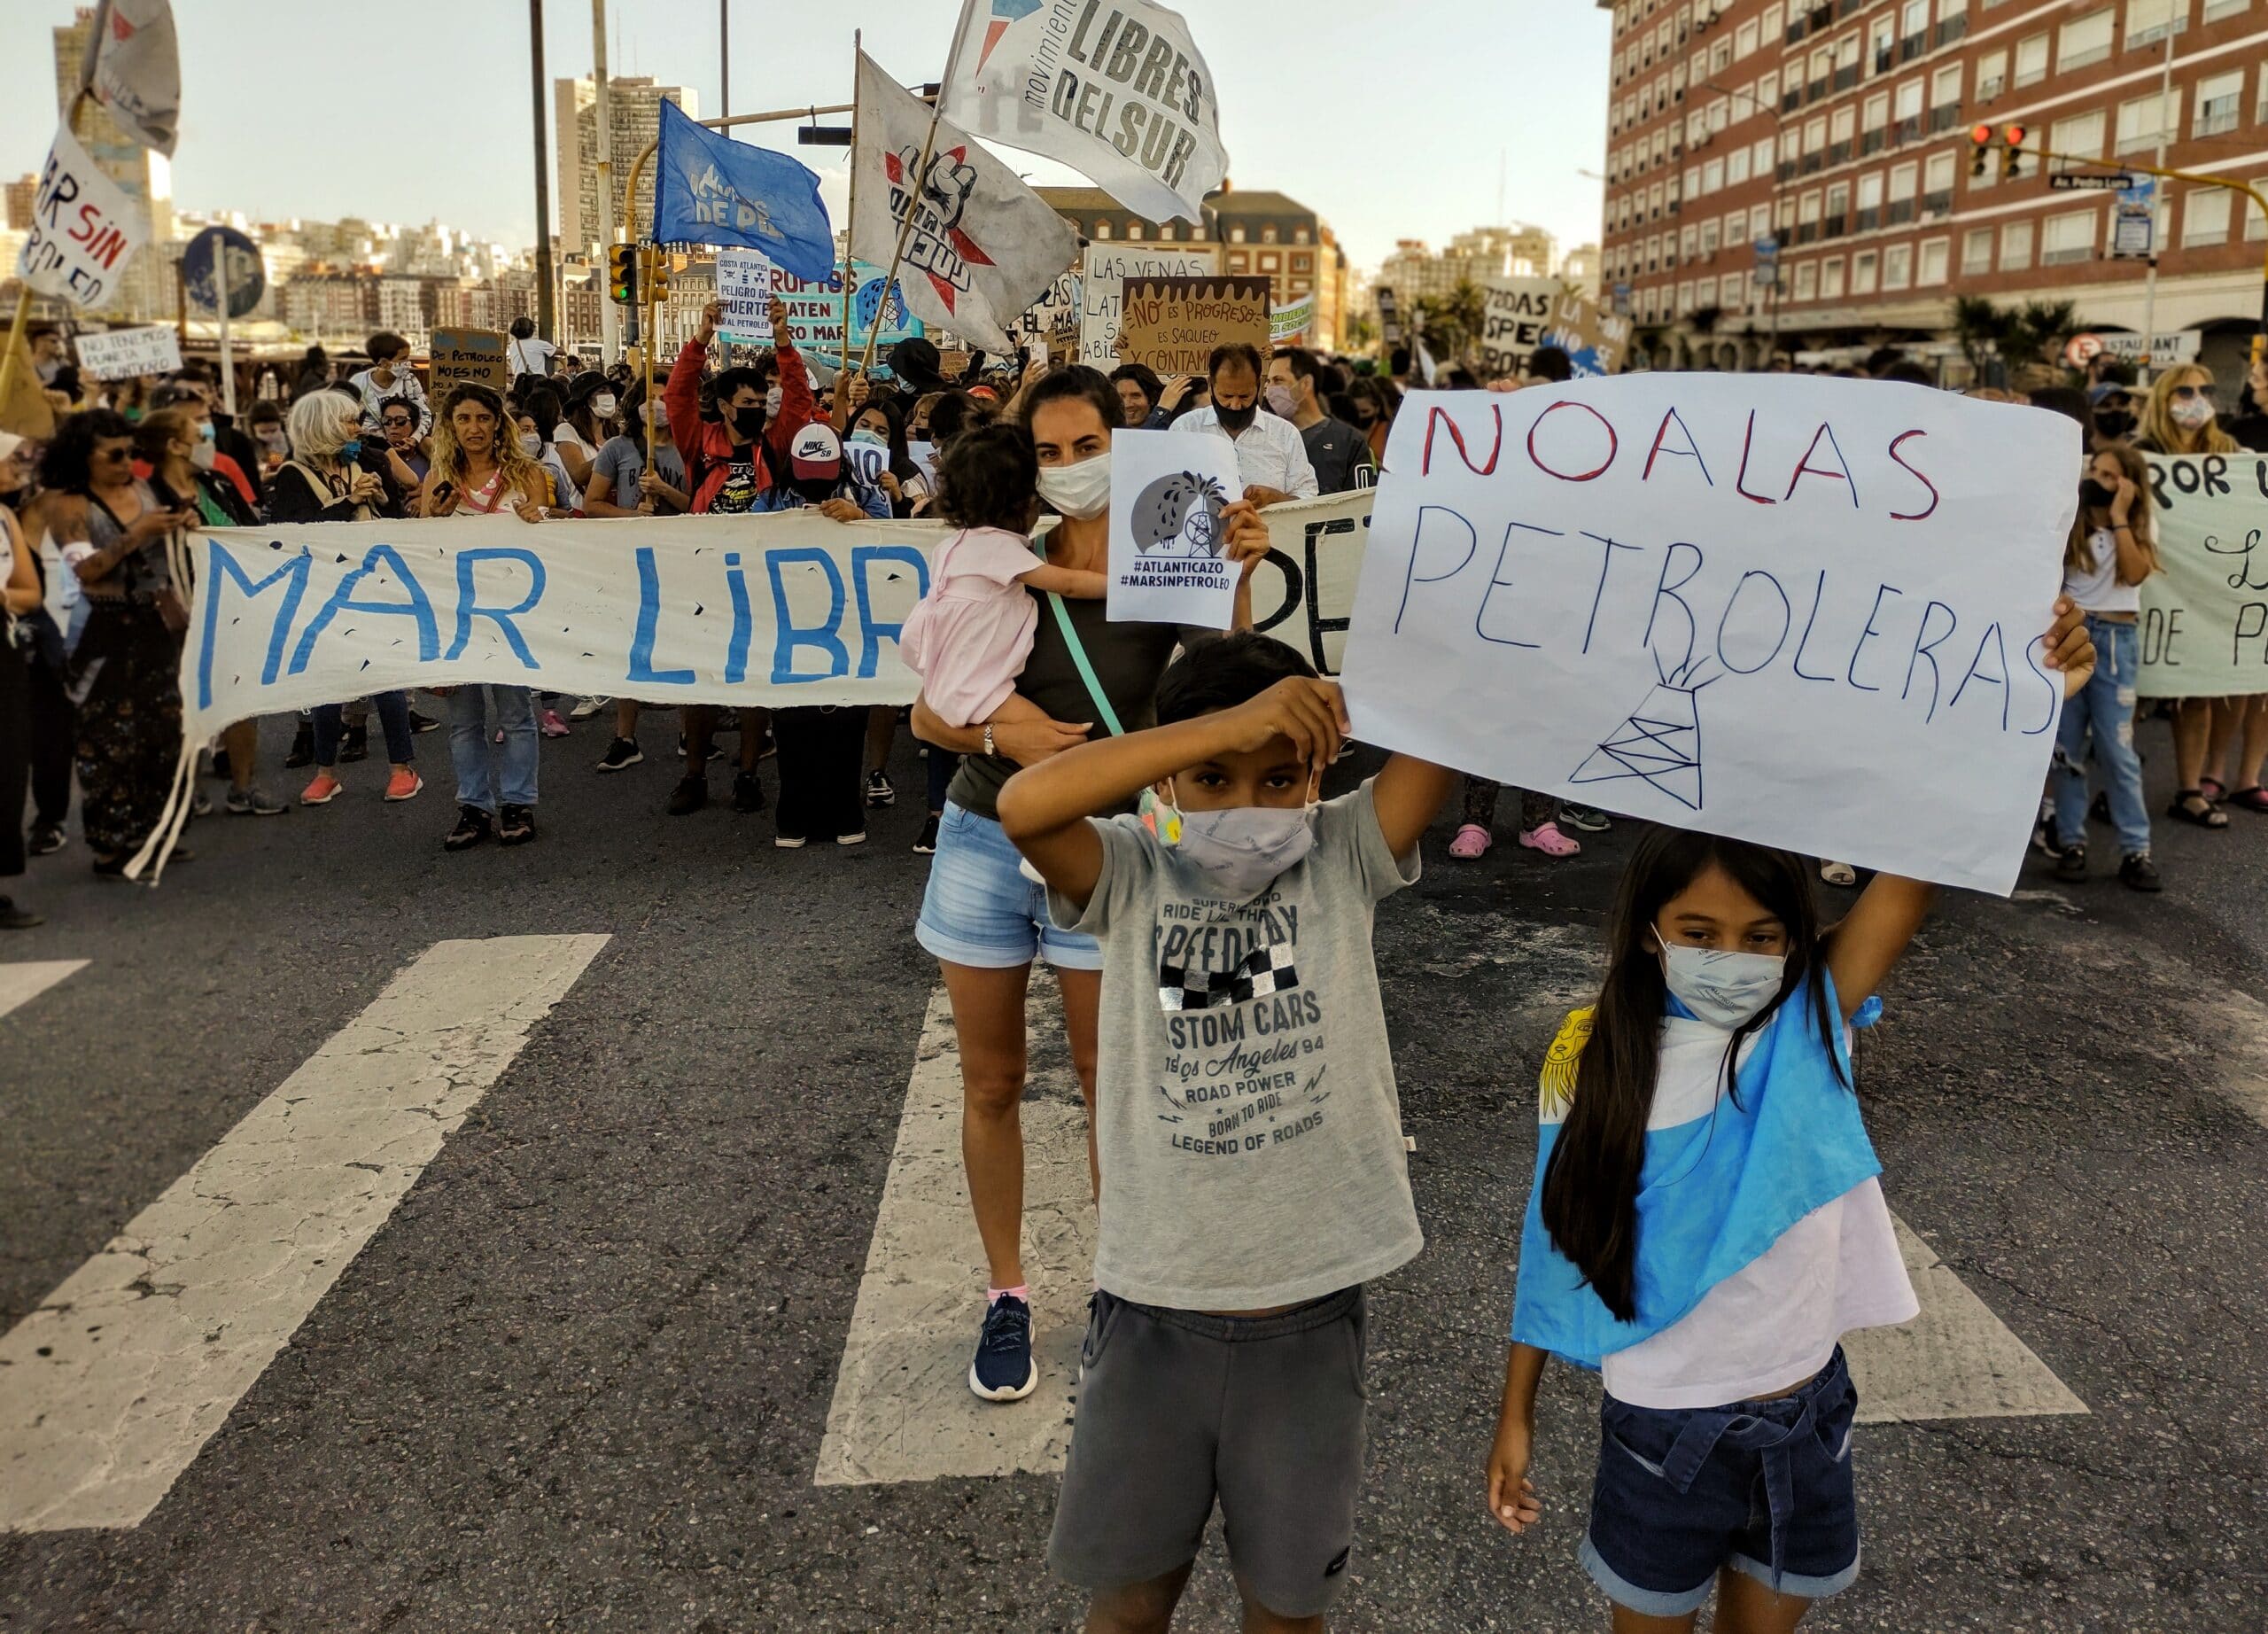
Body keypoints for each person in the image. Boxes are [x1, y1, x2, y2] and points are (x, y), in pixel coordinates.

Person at [1487, 601, 2087, 1633]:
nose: (1735, 954)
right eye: (1700, 930)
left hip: (1806, 1413)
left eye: (1764, 934)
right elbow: (1554, 1231)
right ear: (1646, 935)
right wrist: (1517, 1407)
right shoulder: (1589, 1054)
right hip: (1654, 1424)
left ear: (1798, 941)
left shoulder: (1810, 1021)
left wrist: (2026, 706)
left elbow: (1911, 877)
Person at [997, 634, 1455, 1634]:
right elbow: (1024, 803)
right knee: (1127, 1599)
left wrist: (1320, 704)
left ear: (1319, 771)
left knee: (1287, 1606)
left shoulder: (1339, 850)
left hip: (1307, 1310)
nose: (1247, 803)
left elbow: (1449, 711)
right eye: (1211, 776)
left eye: (1278, 775)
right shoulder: (1128, 868)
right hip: (1155, 1301)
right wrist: (1231, 724)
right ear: (1165, 769)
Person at [909, 366, 1273, 1404]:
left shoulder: (1176, 549)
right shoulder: (1001, 556)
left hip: (1108, 853)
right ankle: (1006, 1292)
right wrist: (995, 729)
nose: (1070, 469)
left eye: (1088, 446)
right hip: (984, 835)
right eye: (1052, 452)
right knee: (990, 1082)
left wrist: (1239, 565)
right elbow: (931, 710)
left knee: (1106, 1076)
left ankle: (1124, 1287)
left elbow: (1228, 681)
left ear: (1127, 443)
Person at [897, 421, 1107, 834]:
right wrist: (1125, 585)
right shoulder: (999, 548)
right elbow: (1065, 582)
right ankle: (1054, 829)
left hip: (950, 678)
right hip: (982, 687)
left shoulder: (953, 545)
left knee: (1047, 749)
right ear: (1023, 503)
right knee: (1058, 746)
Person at [664, 294, 812, 818]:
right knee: (700, 678)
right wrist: (701, 339)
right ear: (726, 406)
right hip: (703, 574)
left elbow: (799, 403)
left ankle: (748, 774)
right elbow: (677, 395)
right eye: (748, 402)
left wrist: (783, 342)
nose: (758, 409)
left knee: (753, 680)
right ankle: (695, 773)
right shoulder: (697, 441)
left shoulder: (772, 445)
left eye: (762, 401)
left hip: (758, 576)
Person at [42, 410, 198, 876]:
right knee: (108, 737)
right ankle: (111, 843)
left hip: (153, 618)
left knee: (163, 728)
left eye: (131, 452)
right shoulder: (70, 504)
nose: (127, 462)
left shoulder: (144, 489)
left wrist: (180, 525)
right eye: (114, 455)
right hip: (101, 625)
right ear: (84, 457)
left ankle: (155, 830)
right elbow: (84, 568)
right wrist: (137, 535)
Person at [266, 392, 423, 809]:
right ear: (323, 426)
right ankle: (325, 773)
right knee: (327, 685)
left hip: (375, 587)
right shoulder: (293, 474)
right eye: (349, 422)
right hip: (322, 592)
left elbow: (397, 522)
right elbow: (297, 533)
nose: (358, 429)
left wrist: (378, 497)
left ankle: (401, 769)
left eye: (357, 421)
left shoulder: (369, 461)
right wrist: (347, 503)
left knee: (385, 679)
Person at [137, 403, 289, 821]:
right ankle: (187, 791)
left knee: (240, 697)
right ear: (174, 446)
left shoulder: (216, 483)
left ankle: (244, 786)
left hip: (232, 605)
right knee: (183, 704)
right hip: (178, 612)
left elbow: (246, 531)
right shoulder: (146, 498)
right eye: (197, 434)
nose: (206, 441)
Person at [746, 421, 890, 848]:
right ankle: (793, 813)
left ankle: (845, 811)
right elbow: (746, 544)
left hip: (848, 622)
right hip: (788, 623)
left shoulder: (865, 496)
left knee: (846, 718)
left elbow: (898, 542)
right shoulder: (769, 500)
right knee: (793, 719)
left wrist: (860, 519)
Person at [421, 383, 553, 848]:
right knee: (463, 719)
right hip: (458, 614)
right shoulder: (439, 477)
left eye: (482, 418)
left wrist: (537, 519)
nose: (473, 428)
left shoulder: (528, 474)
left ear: (499, 423)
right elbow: (426, 550)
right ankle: (473, 807)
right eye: (463, 420)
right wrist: (431, 520)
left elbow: (545, 531)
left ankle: (518, 803)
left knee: (516, 713)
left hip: (511, 615)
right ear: (450, 428)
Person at [2134, 364, 2247, 828]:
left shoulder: (2230, 454)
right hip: (2147, 587)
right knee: (2132, 698)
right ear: (2165, 398)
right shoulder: (2141, 454)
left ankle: (2189, 788)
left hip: (2199, 591)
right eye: (2185, 390)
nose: (2196, 398)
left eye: (2205, 389)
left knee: (2197, 691)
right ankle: (2110, 789)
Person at [2047, 443, 2161, 891]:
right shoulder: (2072, 521)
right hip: (2077, 632)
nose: (2099, 480)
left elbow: (2134, 574)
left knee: (2117, 748)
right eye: (2096, 471)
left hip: (2115, 639)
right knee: (2067, 747)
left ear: (2130, 484)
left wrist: (2118, 517)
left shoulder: (2135, 522)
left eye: (2112, 476)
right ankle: (2071, 841)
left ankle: (2137, 848)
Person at [0, 434, 72, 857]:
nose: (20, 468)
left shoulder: (33, 511)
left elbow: (32, 591)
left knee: (47, 730)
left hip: (38, 639)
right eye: (14, 460)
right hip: (23, 638)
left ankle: (49, 817)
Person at [1177, 343, 1319, 507]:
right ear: (1210, 386)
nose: (1235, 405)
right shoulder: (1185, 429)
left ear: (1258, 386)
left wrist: (1274, 497)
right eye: (1227, 395)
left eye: (1245, 396)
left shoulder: (1286, 434)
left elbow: (1309, 498)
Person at [0, 493, 44, 926]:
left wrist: (4, 599)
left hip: (4, 651)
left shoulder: (4, 518)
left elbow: (30, 592)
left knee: (8, 770)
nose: (16, 463)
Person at [1265, 346, 1377, 494]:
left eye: (1278, 380)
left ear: (1306, 383)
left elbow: (1361, 504)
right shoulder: (1263, 437)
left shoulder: (1349, 442)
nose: (1270, 389)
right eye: (1268, 381)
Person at [348, 333, 431, 437]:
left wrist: (415, 438)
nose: (408, 362)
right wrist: (386, 442)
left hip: (408, 435)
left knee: (429, 445)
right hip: (373, 439)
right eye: (403, 358)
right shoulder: (358, 383)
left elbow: (424, 414)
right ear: (384, 364)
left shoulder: (410, 380)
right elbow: (358, 419)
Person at [552, 372, 613, 497]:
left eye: (611, 391)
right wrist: (613, 455)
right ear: (586, 399)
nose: (609, 396)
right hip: (584, 511)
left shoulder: (614, 432)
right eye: (602, 391)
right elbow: (579, 475)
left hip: (616, 509)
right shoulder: (566, 430)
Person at [377, 395, 431, 495]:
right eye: (387, 421)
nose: (393, 426)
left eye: (400, 420)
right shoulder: (376, 456)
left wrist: (422, 498)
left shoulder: (428, 453)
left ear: (415, 423)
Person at [506, 315, 555, 384]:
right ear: (531, 330)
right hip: (538, 384)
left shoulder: (512, 345)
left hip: (519, 384)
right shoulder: (539, 344)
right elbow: (562, 352)